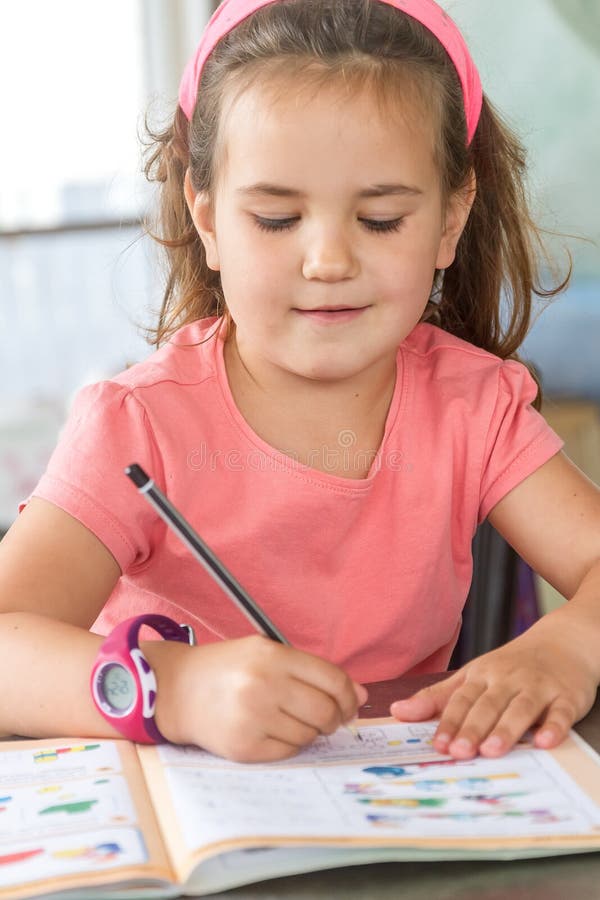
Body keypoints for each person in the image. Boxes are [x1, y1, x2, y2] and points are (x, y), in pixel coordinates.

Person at [1, 0, 599, 764]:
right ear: (209, 219)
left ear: (451, 219)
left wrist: (570, 645)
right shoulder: (137, 424)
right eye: (278, 219)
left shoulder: (473, 406)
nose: (328, 261)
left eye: (381, 220)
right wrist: (176, 689)